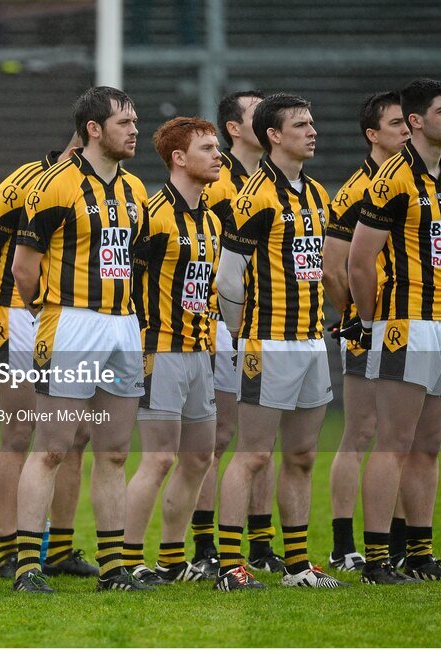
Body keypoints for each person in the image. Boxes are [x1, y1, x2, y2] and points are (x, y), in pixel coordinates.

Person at [11, 86, 151, 593]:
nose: (134, 129)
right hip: (70, 320)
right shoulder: (56, 185)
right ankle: (28, 566)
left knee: (114, 452)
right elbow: (23, 267)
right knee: (52, 448)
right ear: (94, 128)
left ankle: (114, 569)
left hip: (122, 323)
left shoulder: (135, 190)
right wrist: (47, 314)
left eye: (135, 121)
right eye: (124, 122)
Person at [213, 93, 343, 590]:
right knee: (253, 454)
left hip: (311, 341)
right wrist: (242, 330)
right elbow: (227, 279)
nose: (312, 131)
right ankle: (230, 565)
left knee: (303, 456)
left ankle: (297, 564)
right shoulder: (254, 197)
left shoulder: (314, 193)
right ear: (274, 135)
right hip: (267, 342)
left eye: (313, 122)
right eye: (301, 124)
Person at [349, 78, 441, 584]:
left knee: (429, 446)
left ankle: (420, 555)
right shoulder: (391, 181)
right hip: (406, 323)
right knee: (393, 443)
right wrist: (367, 322)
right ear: (418, 121)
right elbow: (360, 260)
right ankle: (377, 559)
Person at [0, 133, 98, 580]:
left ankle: (57, 548)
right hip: (14, 316)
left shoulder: (109, 188)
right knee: (18, 432)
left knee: (76, 436)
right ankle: (11, 551)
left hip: (70, 319)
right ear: (87, 134)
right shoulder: (24, 181)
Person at [124, 116, 224, 585]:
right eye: (207, 148)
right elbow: (125, 282)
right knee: (159, 457)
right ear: (179, 158)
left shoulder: (211, 218)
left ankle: (171, 559)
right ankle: (125, 558)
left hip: (199, 352)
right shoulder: (151, 212)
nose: (218, 155)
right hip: (157, 350)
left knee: (200, 457)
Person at [192, 90, 283, 576]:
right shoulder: (216, 179)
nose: (266, 118)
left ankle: (261, 544)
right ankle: (206, 547)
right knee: (222, 435)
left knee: (259, 440)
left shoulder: (273, 180)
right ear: (233, 127)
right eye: (255, 112)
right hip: (221, 320)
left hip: (265, 324)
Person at [322, 91, 410, 572]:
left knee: (402, 436)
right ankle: (342, 545)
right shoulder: (357, 189)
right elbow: (334, 269)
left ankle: (401, 544)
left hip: (406, 325)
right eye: (396, 124)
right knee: (360, 432)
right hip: (369, 327)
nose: (405, 131)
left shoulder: (414, 181)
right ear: (372, 135)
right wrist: (358, 319)